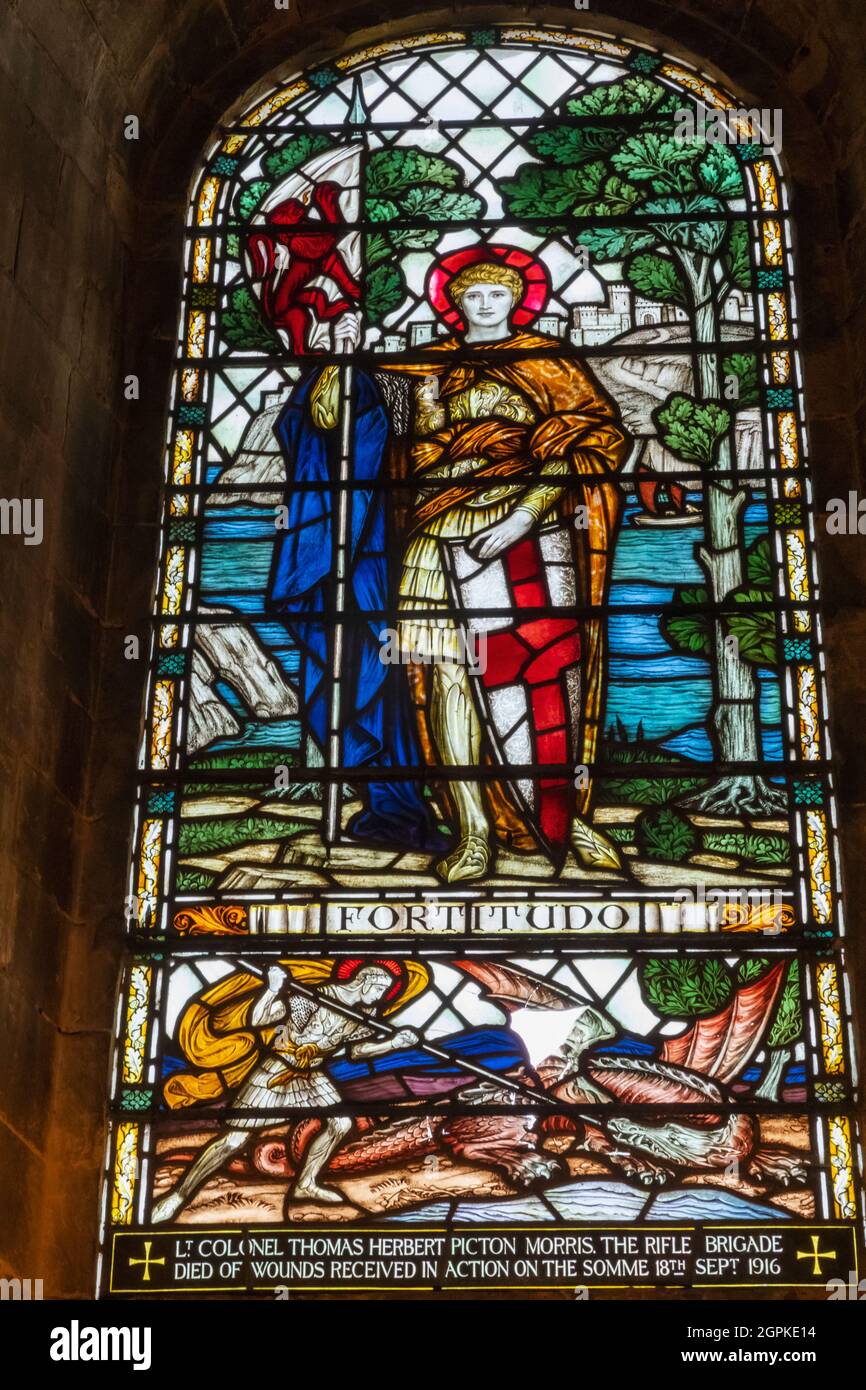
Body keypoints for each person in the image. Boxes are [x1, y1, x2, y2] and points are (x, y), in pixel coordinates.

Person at [151, 961, 419, 1219]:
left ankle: (307, 1183)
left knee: (340, 1123)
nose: (382, 997)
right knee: (234, 1140)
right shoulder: (317, 995)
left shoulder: (365, 1014)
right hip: (277, 1069)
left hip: (311, 1074)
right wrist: (272, 988)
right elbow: (260, 1018)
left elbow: (357, 1052)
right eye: (380, 990)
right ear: (363, 981)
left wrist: (393, 1044)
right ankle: (177, 1197)